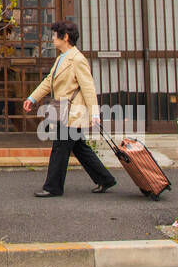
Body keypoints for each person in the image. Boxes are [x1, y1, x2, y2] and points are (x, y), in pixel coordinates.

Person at [22, 20, 116, 197]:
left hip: (73, 113)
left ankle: (53, 187)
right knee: (80, 148)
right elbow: (49, 81)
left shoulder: (77, 59)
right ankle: (105, 179)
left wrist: (95, 113)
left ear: (64, 37)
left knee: (60, 148)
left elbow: (88, 87)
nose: (52, 38)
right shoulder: (61, 57)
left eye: (54, 35)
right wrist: (32, 98)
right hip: (65, 111)